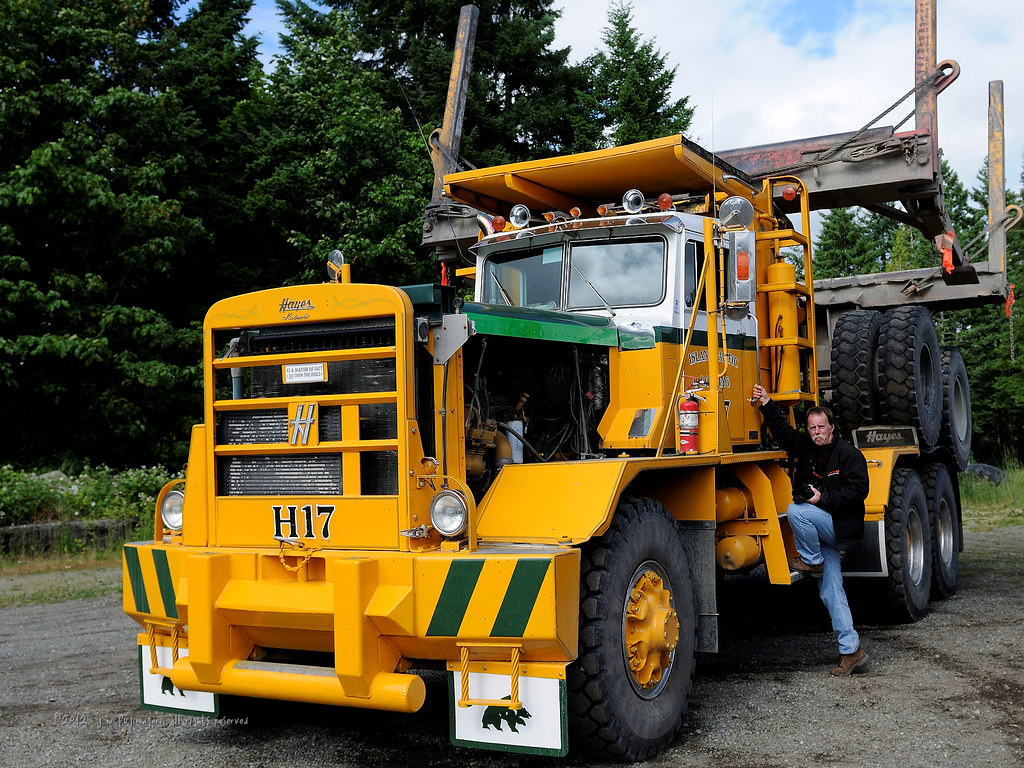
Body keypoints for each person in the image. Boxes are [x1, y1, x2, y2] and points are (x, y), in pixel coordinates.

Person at [751, 383, 870, 676]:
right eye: (812, 427)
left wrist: (823, 498)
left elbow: (859, 492)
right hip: (821, 533)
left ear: (831, 427)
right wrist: (766, 402)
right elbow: (782, 431)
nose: (817, 432)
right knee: (832, 590)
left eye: (821, 426)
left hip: (840, 527)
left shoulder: (848, 455)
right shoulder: (805, 446)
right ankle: (851, 650)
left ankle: (812, 561)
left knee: (796, 511)